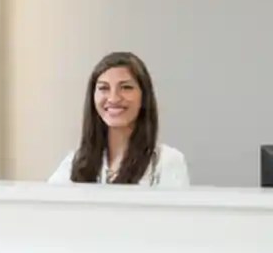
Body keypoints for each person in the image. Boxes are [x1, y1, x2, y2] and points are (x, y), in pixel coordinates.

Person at [48, 51, 190, 186]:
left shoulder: (167, 162)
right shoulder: (74, 162)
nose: (113, 98)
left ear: (144, 96)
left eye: (126, 87)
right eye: (104, 88)